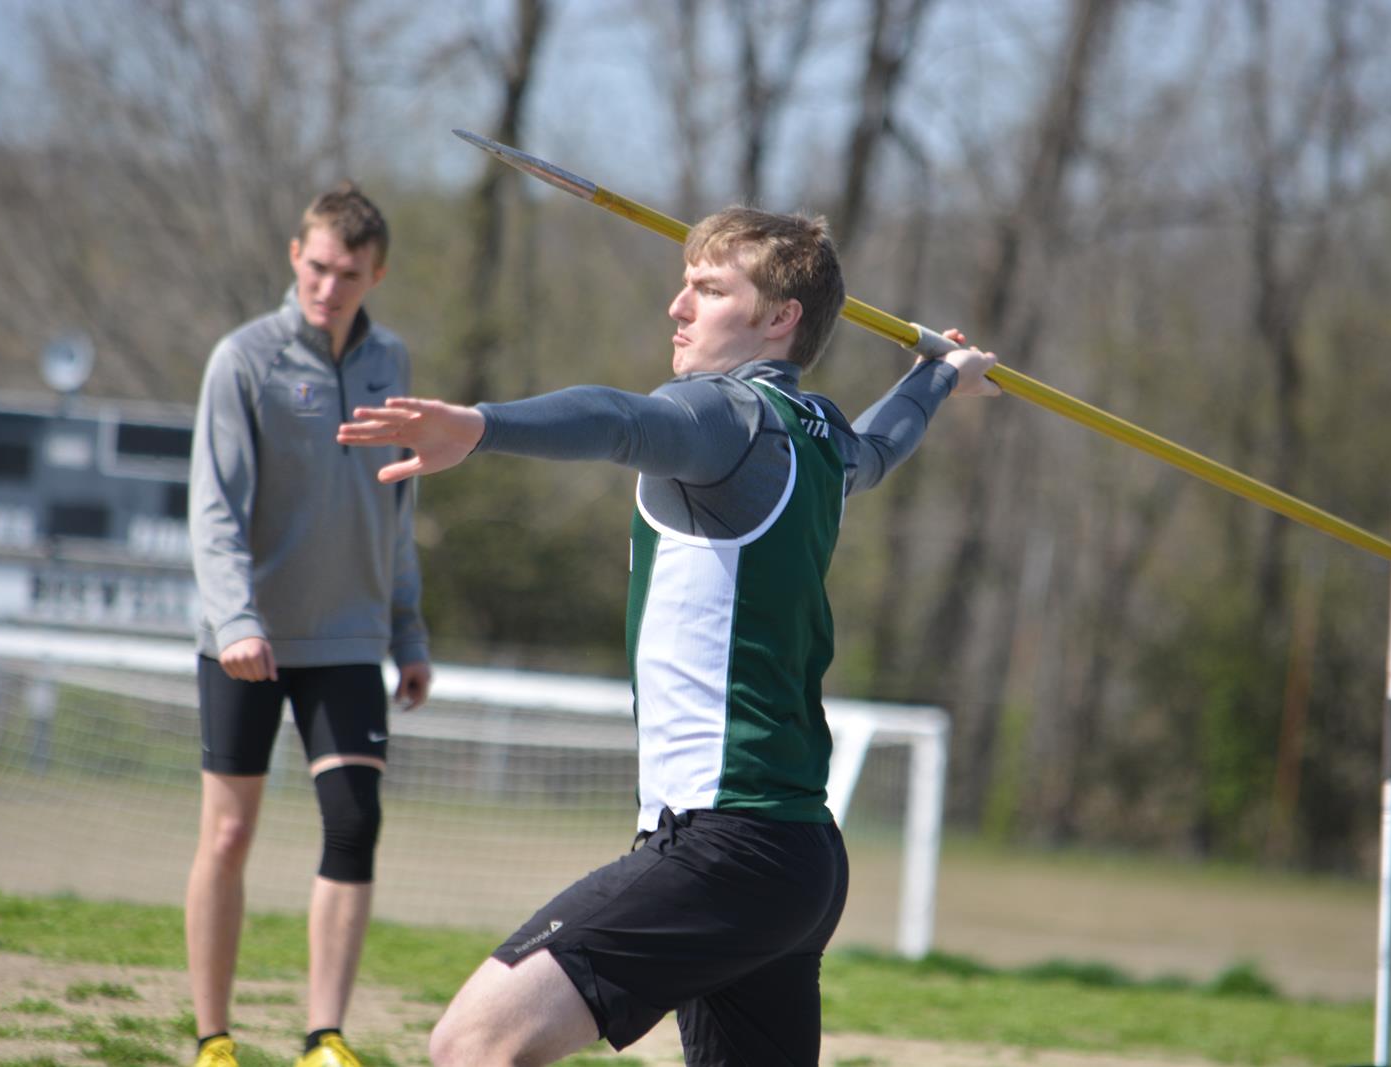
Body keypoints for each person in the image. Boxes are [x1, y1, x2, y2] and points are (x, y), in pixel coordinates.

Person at [338, 206, 998, 1066]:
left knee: (475, 1044)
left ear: (779, 318)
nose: (677, 307)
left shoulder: (720, 417)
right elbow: (883, 445)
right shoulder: (824, 438)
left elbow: (619, 420)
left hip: (724, 845)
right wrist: (939, 375)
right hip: (797, 856)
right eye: (684, 283)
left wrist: (482, 425)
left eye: (709, 288)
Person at [186, 182, 432, 1067]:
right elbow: (214, 511)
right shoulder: (242, 359)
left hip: (349, 640)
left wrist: (408, 631)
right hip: (245, 643)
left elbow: (397, 509)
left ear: (377, 274)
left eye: (350, 274)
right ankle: (214, 1037)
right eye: (318, 267)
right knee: (229, 834)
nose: (329, 287)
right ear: (297, 256)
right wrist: (239, 619)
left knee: (353, 816)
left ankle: (324, 1036)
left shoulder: (391, 363)